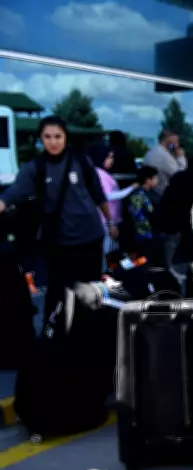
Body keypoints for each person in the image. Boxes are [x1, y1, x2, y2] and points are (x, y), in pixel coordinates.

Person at [0, 116, 118, 321]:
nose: (53, 142)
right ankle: (53, 335)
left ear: (65, 138)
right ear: (40, 139)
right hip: (58, 241)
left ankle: (88, 333)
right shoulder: (35, 167)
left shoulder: (80, 161)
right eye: (47, 137)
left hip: (89, 237)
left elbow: (98, 194)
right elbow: (13, 193)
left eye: (58, 136)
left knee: (89, 291)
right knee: (56, 291)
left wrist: (110, 222)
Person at [124, 166, 160, 261]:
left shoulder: (147, 193)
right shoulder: (138, 195)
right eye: (155, 178)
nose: (157, 180)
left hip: (147, 235)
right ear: (148, 180)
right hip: (142, 236)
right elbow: (139, 218)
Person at [143, 129, 188, 200]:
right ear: (169, 140)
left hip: (152, 194)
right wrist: (181, 157)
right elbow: (180, 175)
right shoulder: (164, 155)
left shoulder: (151, 152)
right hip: (162, 196)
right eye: (176, 141)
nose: (177, 144)